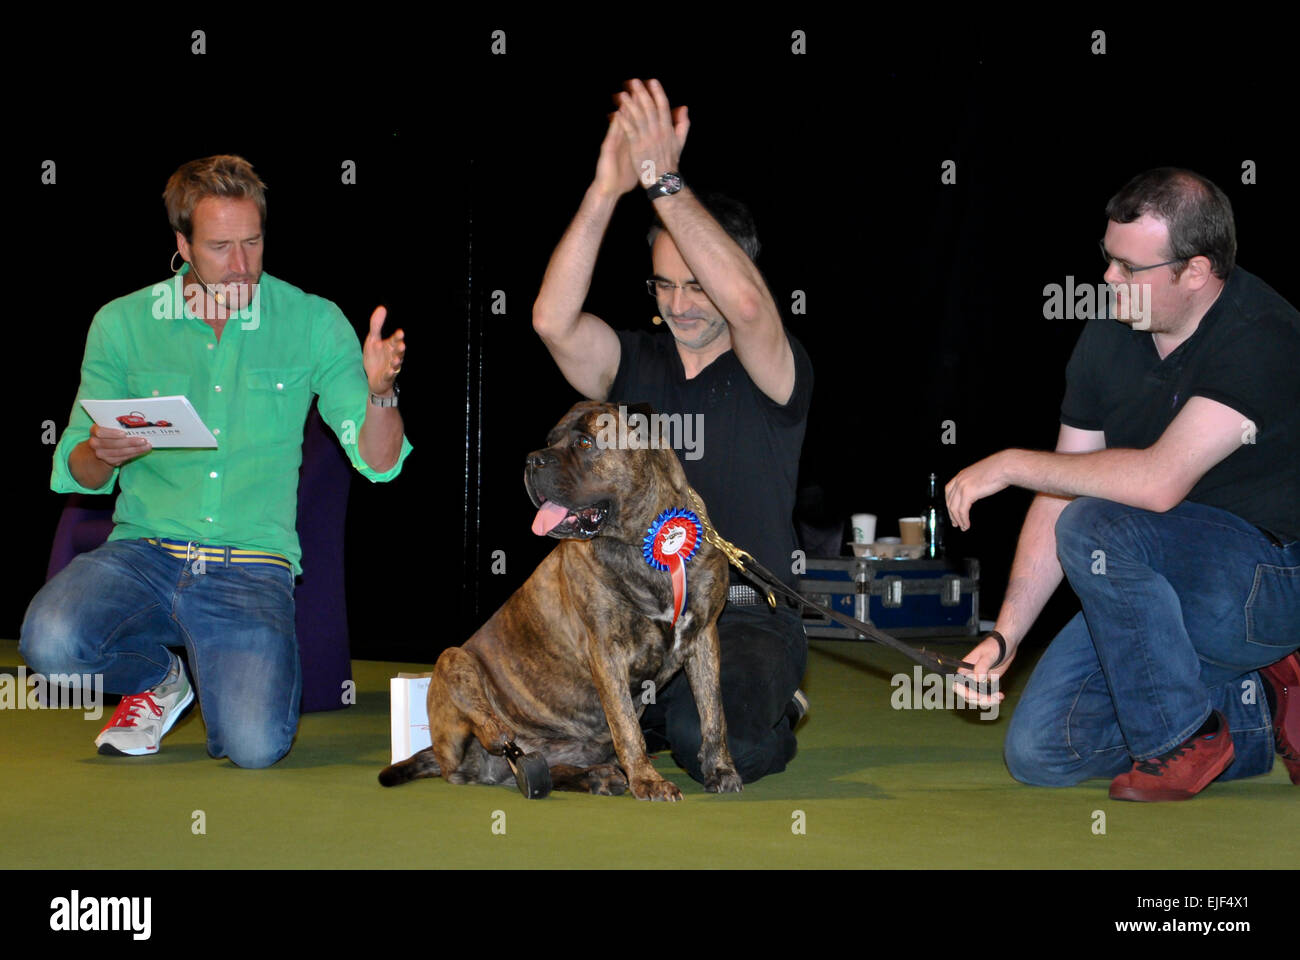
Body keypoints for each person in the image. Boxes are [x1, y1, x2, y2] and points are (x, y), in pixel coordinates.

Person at [20, 155, 413, 768]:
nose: (240, 266)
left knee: (256, 748)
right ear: (181, 244)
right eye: (220, 246)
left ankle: (219, 663)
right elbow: (75, 471)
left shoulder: (312, 320)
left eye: (253, 242)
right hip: (144, 552)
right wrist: (101, 450)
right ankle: (160, 678)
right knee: (49, 639)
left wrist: (381, 390)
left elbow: (378, 462)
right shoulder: (122, 323)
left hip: (250, 566)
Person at [944, 167, 1300, 801]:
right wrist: (1006, 635)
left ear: (1196, 271)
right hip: (1161, 591)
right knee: (1042, 752)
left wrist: (1007, 463)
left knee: (1098, 520)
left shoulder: (1264, 334)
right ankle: (1251, 714)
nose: (1108, 280)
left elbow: (1159, 482)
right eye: (1107, 259)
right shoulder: (1110, 332)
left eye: (1130, 268)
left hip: (1269, 583)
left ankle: (1181, 739)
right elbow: (1060, 488)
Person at [531, 79, 814, 784]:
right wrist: (606, 189)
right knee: (548, 724)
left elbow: (748, 306)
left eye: (698, 285)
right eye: (664, 286)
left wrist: (662, 179)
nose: (681, 304)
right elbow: (551, 323)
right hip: (632, 611)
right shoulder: (632, 364)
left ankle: (773, 704)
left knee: (712, 745)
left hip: (746, 615)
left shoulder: (774, 366)